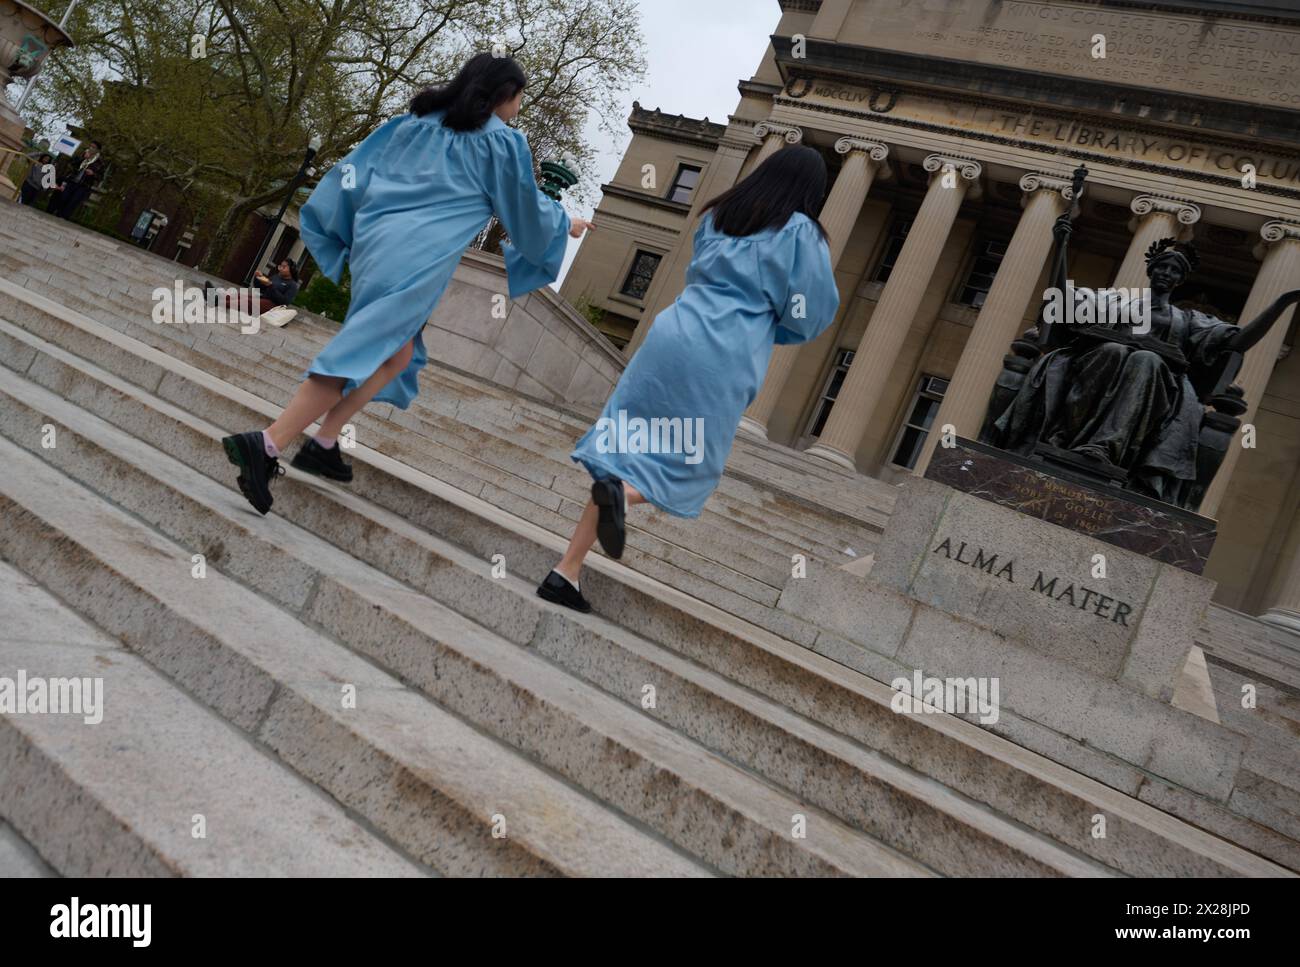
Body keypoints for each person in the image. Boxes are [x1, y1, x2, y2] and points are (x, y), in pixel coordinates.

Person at [221, 52, 593, 511]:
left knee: (395, 354)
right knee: (362, 350)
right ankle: (268, 444)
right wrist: (565, 223)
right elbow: (525, 210)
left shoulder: (411, 123)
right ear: (503, 96)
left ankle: (324, 442)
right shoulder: (502, 144)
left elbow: (355, 173)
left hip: (375, 244)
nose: (518, 109)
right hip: (417, 256)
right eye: (519, 99)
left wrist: (343, 227)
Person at [536, 145, 840, 612]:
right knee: (692, 464)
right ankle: (620, 495)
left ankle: (566, 571)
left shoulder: (718, 213)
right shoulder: (800, 231)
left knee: (624, 452)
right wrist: (771, 323)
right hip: (724, 352)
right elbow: (812, 313)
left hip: (672, 334)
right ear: (811, 191)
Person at [53, 141, 105, 220]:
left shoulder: (100, 162)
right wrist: (83, 158)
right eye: (90, 146)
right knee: (64, 197)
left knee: (73, 201)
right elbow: (72, 164)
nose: (91, 148)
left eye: (93, 147)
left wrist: (93, 173)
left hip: (84, 184)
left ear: (97, 150)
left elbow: (101, 177)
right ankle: (58, 213)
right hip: (72, 180)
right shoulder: (83, 155)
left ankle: (64, 217)